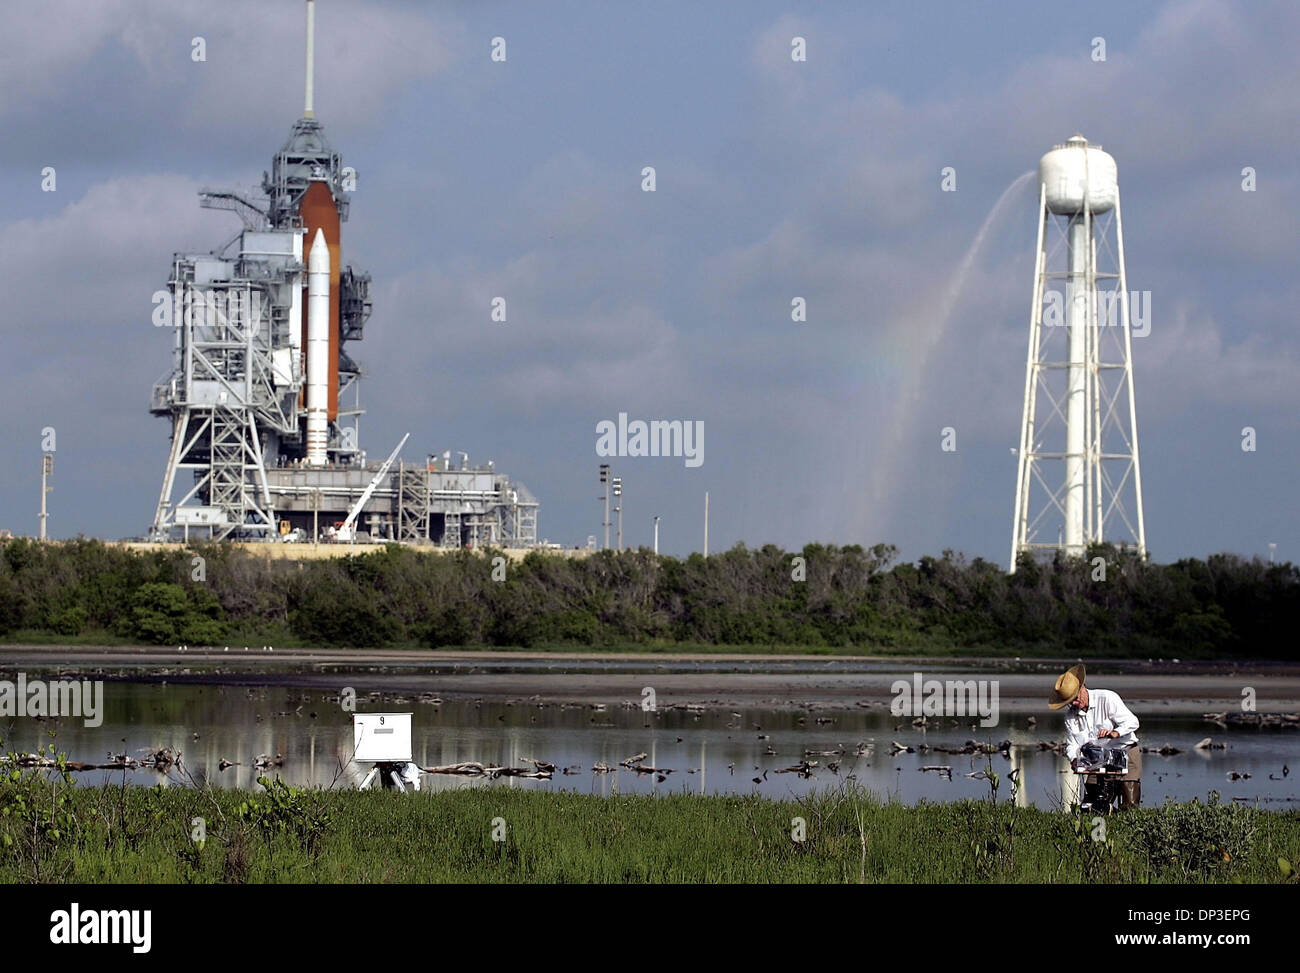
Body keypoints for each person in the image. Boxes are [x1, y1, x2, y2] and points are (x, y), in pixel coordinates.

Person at [1048, 663, 1142, 810]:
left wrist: (1115, 733)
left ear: (1083, 687)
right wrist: (1073, 759)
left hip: (1125, 752)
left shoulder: (1107, 698)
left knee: (1129, 806)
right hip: (1096, 760)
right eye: (1070, 701)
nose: (1075, 704)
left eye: (1076, 698)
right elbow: (1072, 744)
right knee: (1091, 807)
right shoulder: (1070, 717)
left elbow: (1133, 722)